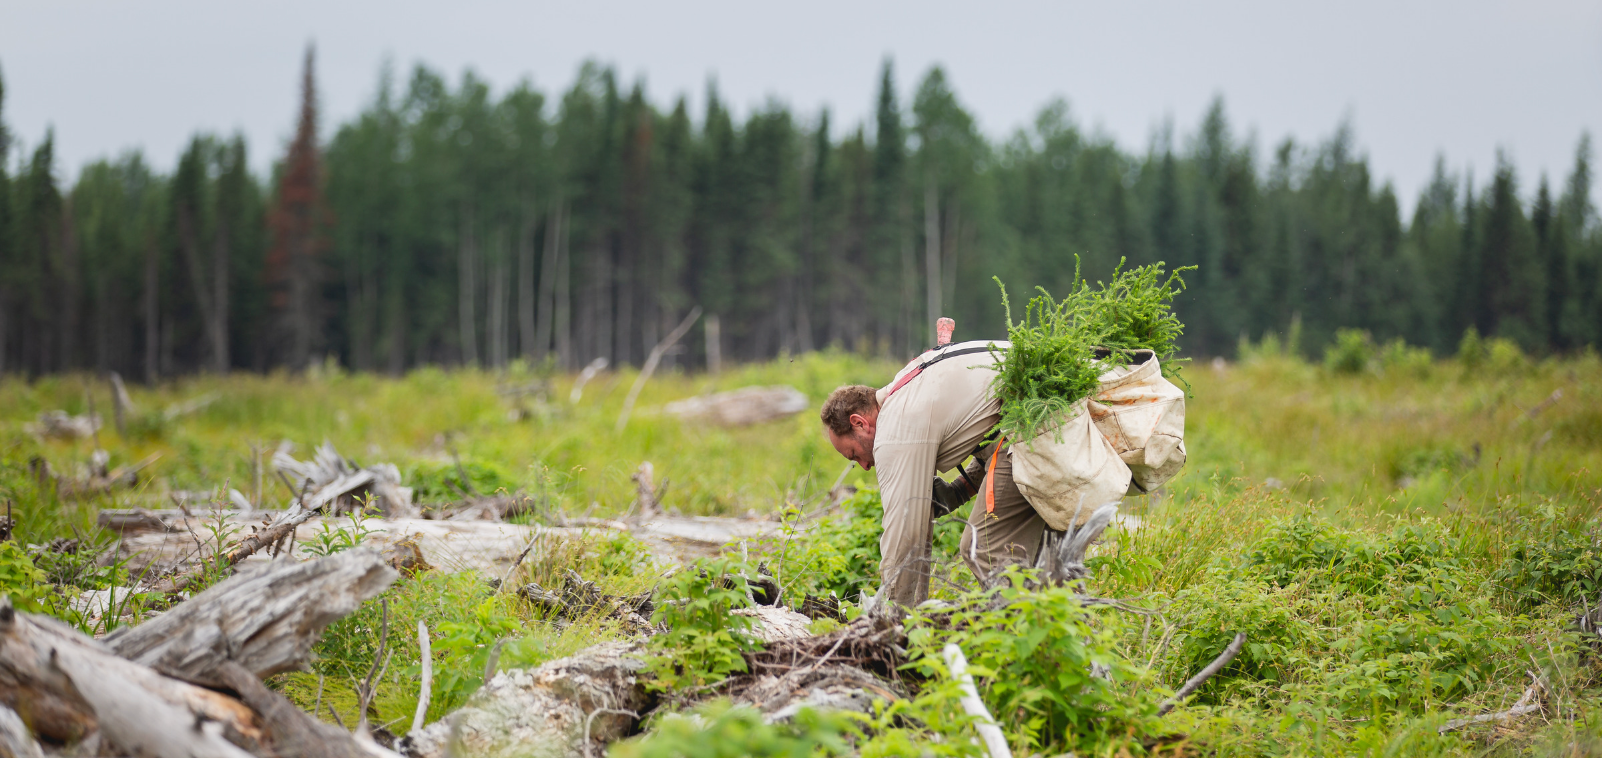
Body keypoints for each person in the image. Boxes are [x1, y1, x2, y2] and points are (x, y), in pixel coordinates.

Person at [819, 339, 1052, 607]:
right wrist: (958, 492)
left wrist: (892, 611)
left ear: (859, 423)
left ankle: (1023, 635)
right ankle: (1053, 631)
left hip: (1034, 431)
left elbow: (905, 533)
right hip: (1044, 416)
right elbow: (990, 432)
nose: (864, 466)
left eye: (855, 454)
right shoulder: (909, 388)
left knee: (984, 548)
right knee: (1046, 561)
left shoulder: (895, 428)